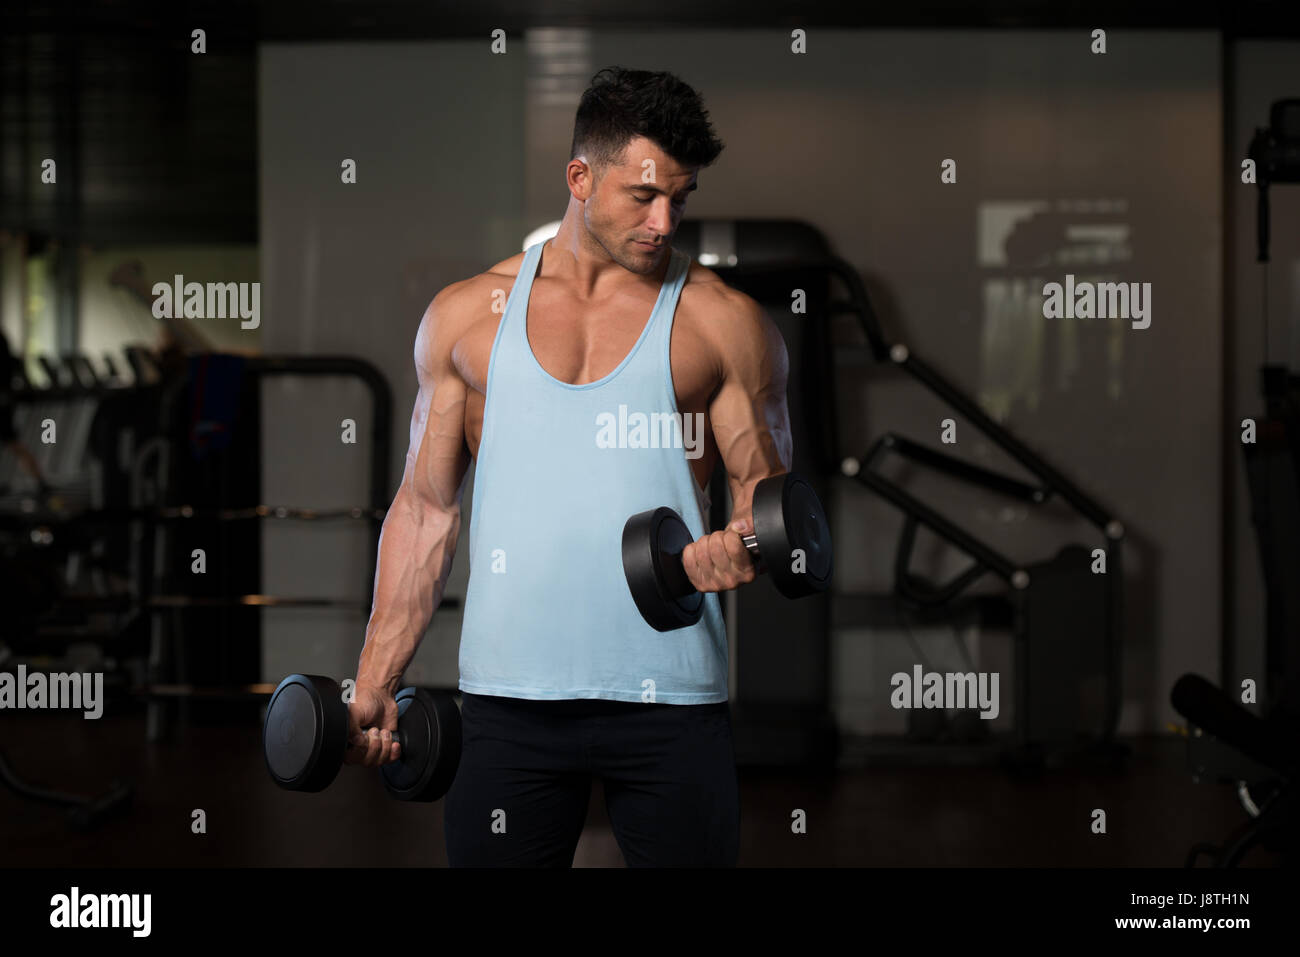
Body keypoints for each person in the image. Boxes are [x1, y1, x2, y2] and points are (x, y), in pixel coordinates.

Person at [349, 66, 793, 867]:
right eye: (643, 195)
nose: (665, 222)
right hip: (508, 705)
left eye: (680, 199)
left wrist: (748, 543)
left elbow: (770, 499)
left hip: (671, 698)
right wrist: (377, 674)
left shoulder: (724, 323)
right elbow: (425, 511)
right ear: (580, 178)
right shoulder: (466, 320)